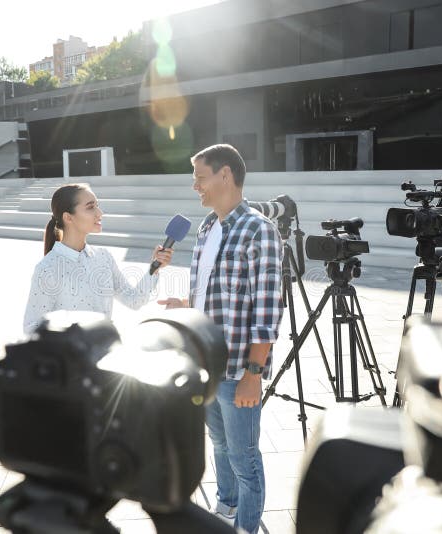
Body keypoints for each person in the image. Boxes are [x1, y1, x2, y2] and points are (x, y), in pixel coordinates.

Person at [159, 144, 283, 534]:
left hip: (237, 368)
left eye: (200, 176)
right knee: (220, 445)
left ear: (225, 175)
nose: (195, 185)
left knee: (244, 456)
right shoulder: (208, 226)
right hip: (205, 360)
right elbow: (214, 290)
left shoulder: (259, 230)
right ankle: (226, 509)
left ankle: (247, 527)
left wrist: (254, 373)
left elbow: (266, 310)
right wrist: (187, 302)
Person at [23, 183, 172, 334]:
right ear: (68, 217)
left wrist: (155, 268)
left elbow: (134, 300)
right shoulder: (48, 268)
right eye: (90, 207)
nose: (100, 213)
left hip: (105, 352)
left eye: (97, 206)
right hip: (72, 356)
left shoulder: (103, 257)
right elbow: (32, 328)